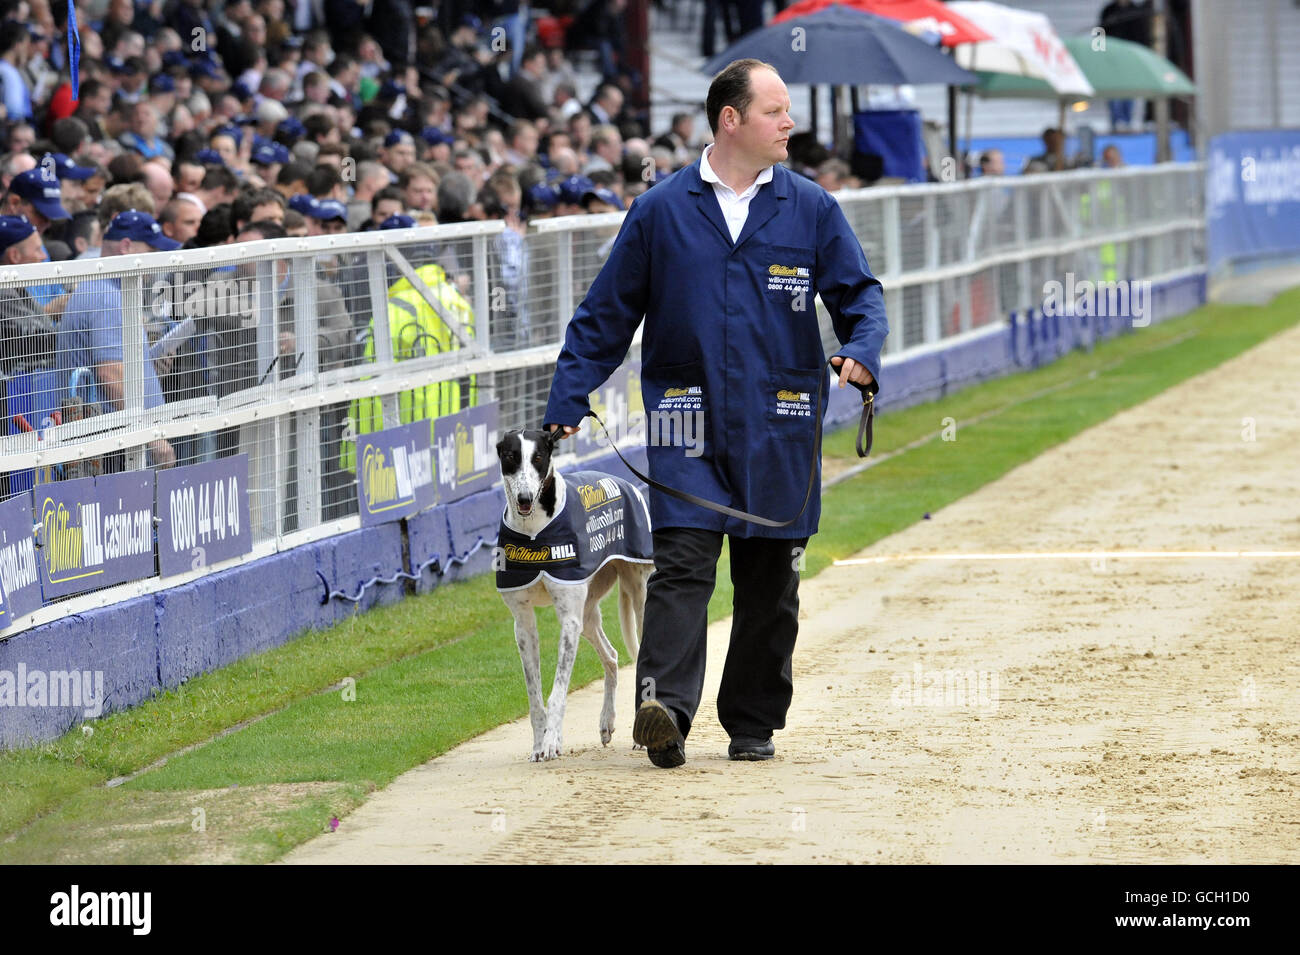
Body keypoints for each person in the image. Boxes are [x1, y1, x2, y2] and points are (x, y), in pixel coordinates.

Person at [543, 58, 887, 768]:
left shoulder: (812, 207)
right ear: (730, 119)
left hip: (782, 420)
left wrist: (861, 349)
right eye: (775, 110)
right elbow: (606, 314)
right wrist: (567, 398)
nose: (789, 123)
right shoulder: (661, 209)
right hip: (684, 419)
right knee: (683, 562)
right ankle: (664, 707)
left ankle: (752, 720)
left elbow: (861, 295)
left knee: (770, 577)